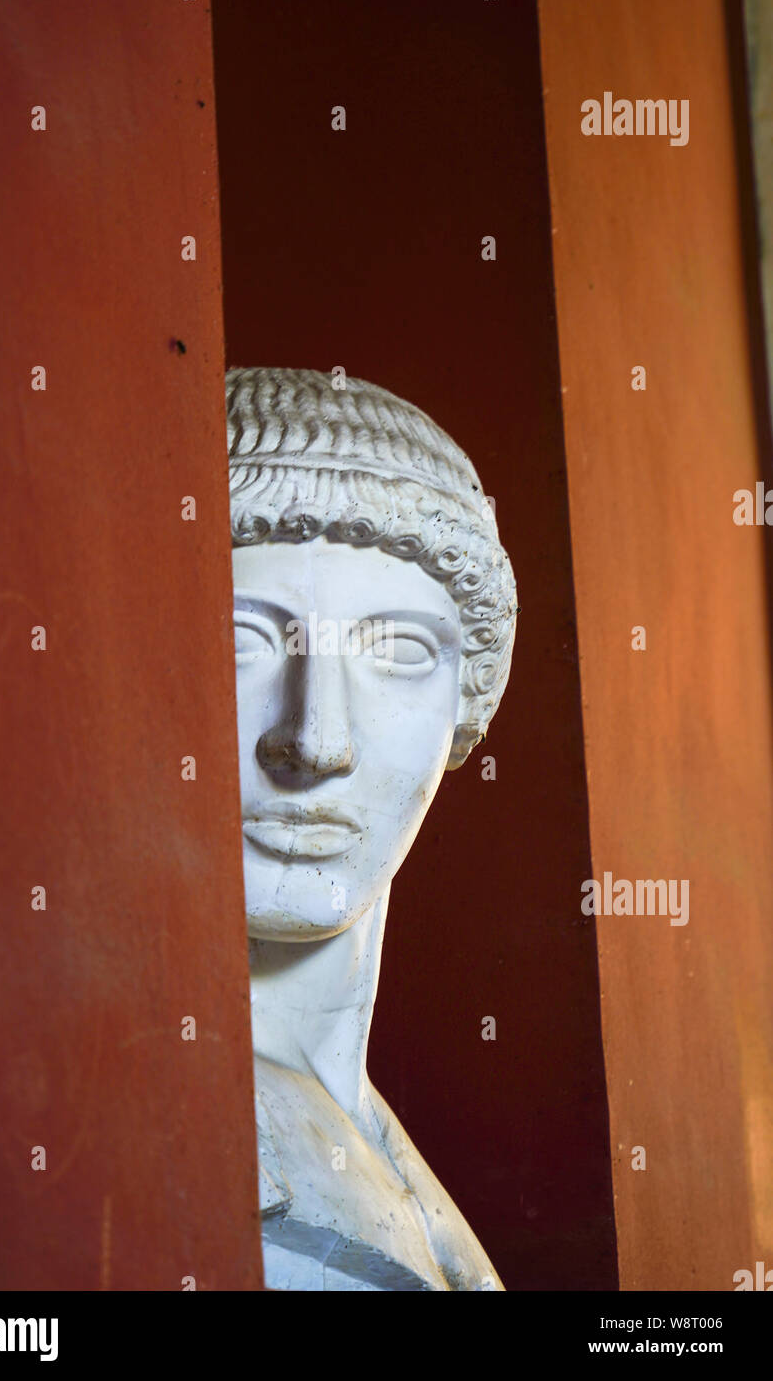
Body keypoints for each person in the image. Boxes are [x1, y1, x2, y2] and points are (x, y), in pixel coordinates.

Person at [227, 367, 517, 1290]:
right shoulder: (115, 1118)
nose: (316, 742)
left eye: (397, 651)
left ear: (464, 708)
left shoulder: (372, 1131)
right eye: (240, 640)